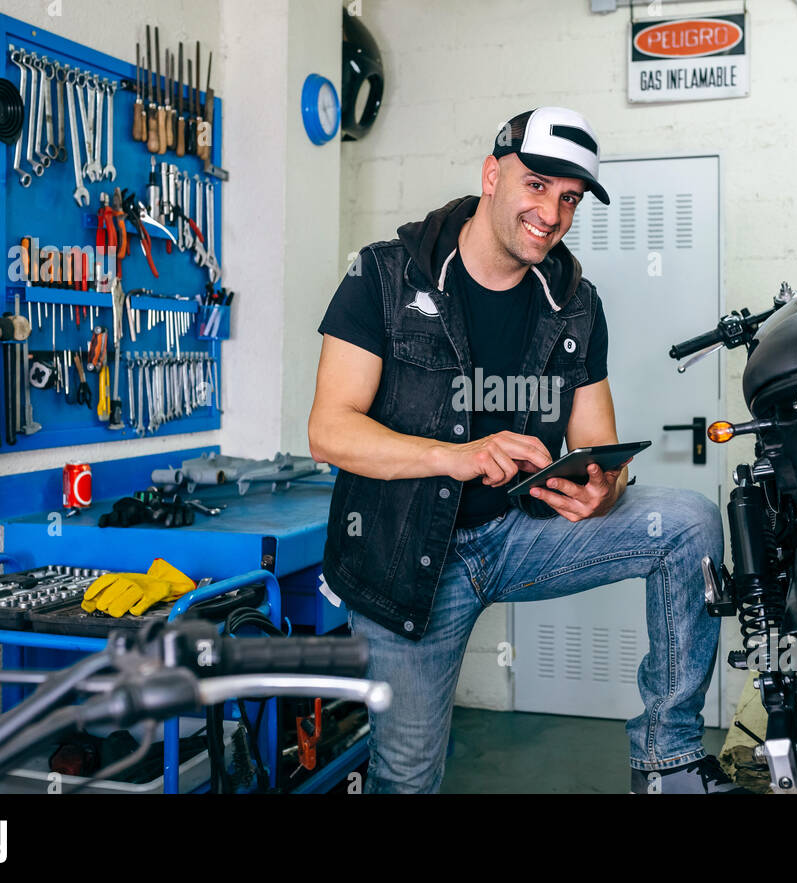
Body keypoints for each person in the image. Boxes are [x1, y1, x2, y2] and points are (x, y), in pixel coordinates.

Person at [309, 107, 738, 793]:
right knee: (408, 779)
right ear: (492, 175)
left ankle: (668, 763)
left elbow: (597, 442)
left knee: (687, 523)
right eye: (537, 185)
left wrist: (608, 484)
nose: (552, 211)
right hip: (408, 556)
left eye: (568, 198)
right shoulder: (384, 276)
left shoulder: (575, 302)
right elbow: (330, 429)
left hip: (519, 534)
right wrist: (455, 455)